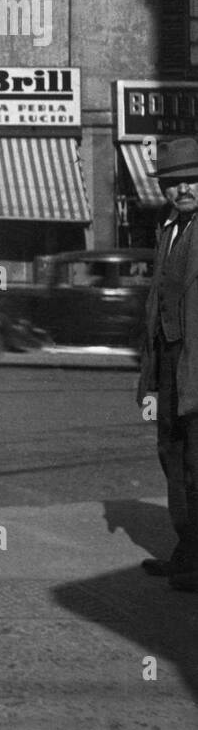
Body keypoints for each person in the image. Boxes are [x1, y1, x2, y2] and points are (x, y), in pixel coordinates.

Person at [136, 136, 198, 591]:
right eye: (174, 183)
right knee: (172, 459)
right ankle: (186, 551)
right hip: (170, 365)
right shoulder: (169, 228)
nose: (183, 190)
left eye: (192, 179)